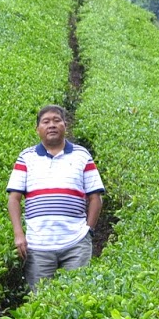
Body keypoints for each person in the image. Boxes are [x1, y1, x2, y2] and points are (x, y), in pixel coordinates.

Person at [7, 104, 103, 289]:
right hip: (38, 245)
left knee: (77, 296)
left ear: (65, 126)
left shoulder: (82, 155)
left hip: (76, 243)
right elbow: (14, 199)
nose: (52, 125)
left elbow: (95, 198)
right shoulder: (26, 157)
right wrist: (19, 234)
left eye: (57, 120)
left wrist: (88, 232)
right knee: (39, 300)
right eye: (46, 122)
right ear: (38, 130)